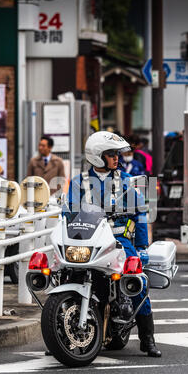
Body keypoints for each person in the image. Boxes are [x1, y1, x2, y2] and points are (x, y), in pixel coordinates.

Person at [66, 131, 162, 358]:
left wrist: (141, 248)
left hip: (119, 242)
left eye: (117, 154)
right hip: (88, 241)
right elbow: (68, 214)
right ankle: (62, 337)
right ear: (98, 156)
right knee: (69, 276)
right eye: (111, 154)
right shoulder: (79, 183)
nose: (117, 158)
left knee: (135, 278)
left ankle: (148, 338)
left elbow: (140, 214)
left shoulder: (127, 182)